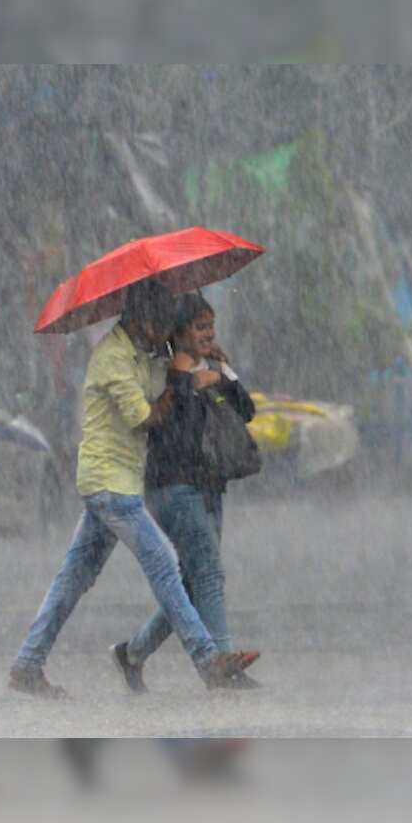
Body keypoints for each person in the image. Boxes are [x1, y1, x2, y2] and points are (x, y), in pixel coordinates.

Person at [8, 278, 259, 697]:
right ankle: (207, 660)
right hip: (110, 486)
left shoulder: (143, 353)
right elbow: (145, 417)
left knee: (73, 580)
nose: (165, 334)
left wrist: (197, 360)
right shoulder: (112, 359)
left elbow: (174, 375)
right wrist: (183, 379)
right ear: (141, 319)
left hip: (118, 481)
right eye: (161, 325)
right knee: (164, 565)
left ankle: (27, 665)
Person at [110, 293, 261, 693]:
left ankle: (133, 653)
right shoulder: (164, 374)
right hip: (174, 487)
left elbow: (246, 410)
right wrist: (191, 384)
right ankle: (221, 663)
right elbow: (177, 429)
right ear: (178, 333)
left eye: (211, 326)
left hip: (210, 482)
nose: (208, 334)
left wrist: (223, 373)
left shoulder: (212, 365)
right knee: (209, 572)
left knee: (192, 585)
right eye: (199, 327)